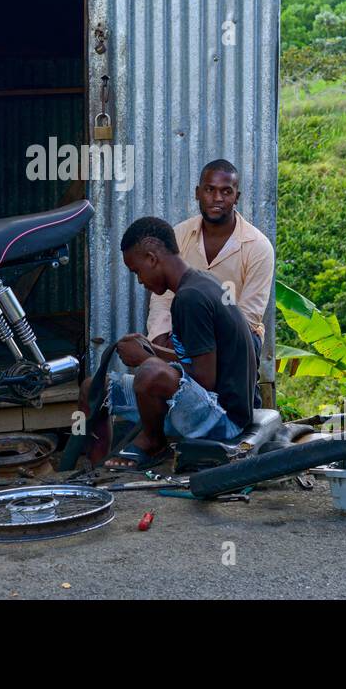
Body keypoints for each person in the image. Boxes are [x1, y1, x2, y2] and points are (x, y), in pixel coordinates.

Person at [79, 216, 258, 469]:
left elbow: (205, 381)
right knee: (93, 387)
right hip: (203, 403)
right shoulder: (200, 282)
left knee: (150, 373)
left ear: (152, 258)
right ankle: (100, 471)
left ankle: (154, 443)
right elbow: (193, 362)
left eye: (137, 271)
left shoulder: (190, 298)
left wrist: (146, 359)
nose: (140, 281)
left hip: (223, 419)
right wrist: (151, 349)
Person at [145, 159, 273, 396]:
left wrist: (204, 346)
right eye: (209, 190)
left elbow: (248, 316)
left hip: (238, 337)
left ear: (237, 196)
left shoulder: (258, 246)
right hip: (183, 334)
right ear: (197, 193)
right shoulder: (179, 235)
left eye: (226, 191)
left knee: (226, 388)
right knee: (161, 376)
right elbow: (162, 298)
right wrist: (160, 340)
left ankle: (238, 414)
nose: (217, 198)